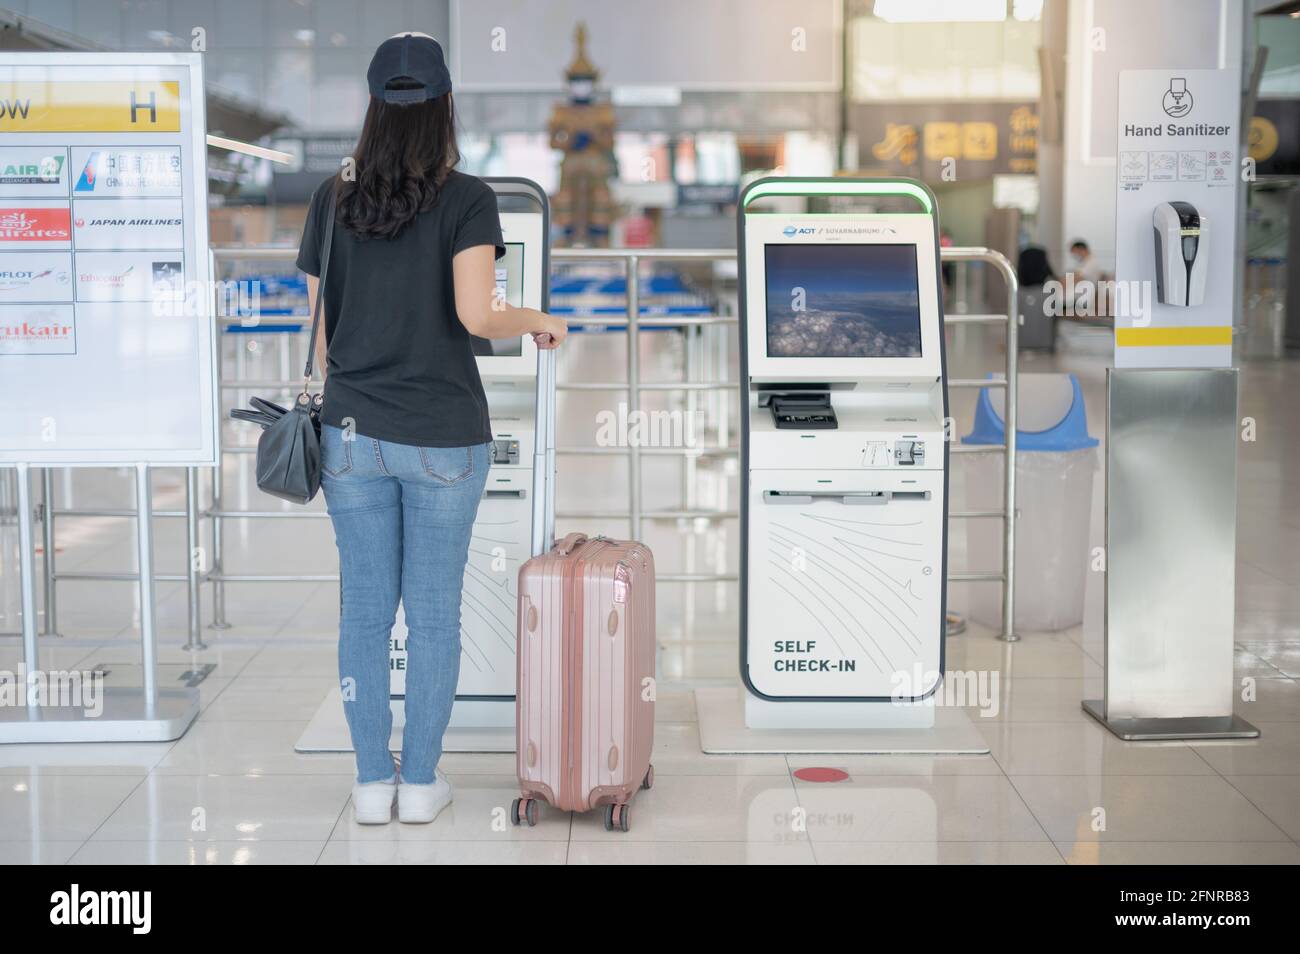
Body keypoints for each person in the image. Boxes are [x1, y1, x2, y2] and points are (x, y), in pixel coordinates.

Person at [296, 33, 567, 825]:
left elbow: (318, 331)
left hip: (351, 432)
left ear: (374, 106)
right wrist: (540, 319)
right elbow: (477, 313)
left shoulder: (332, 195)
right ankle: (420, 783)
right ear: (445, 105)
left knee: (365, 612)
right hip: (444, 436)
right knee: (435, 611)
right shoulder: (467, 197)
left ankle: (370, 785)